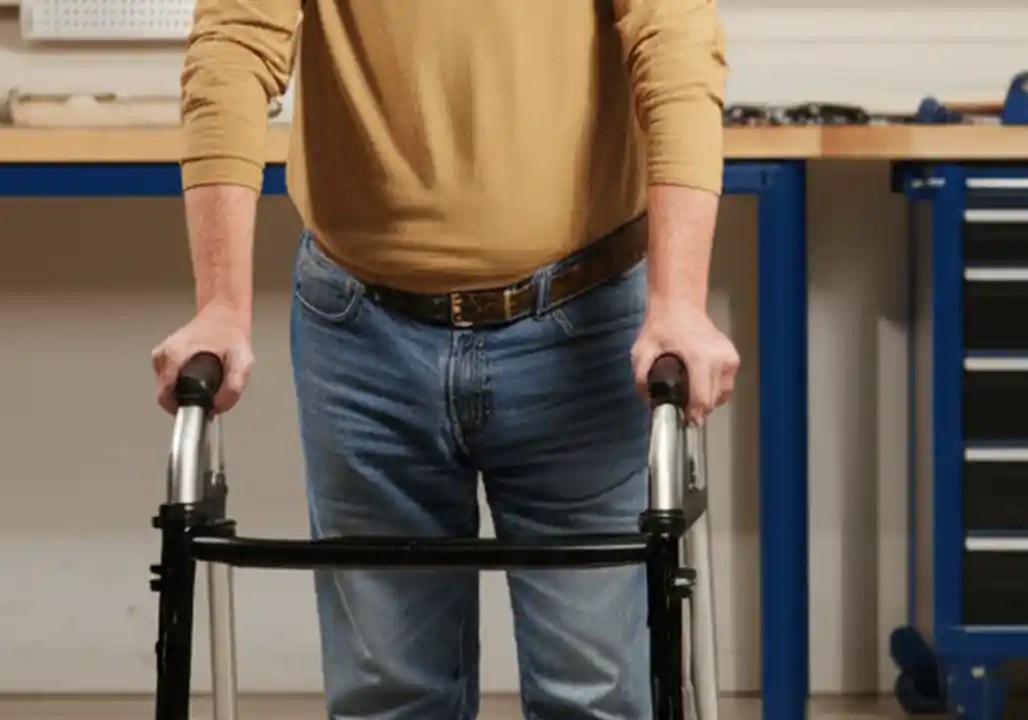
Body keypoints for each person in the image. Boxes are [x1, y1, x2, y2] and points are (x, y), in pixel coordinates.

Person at [151, 1, 739, 718]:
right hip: (362, 333)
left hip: (581, 330)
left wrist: (678, 300)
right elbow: (235, 46)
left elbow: (674, 48)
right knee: (390, 697)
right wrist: (220, 304)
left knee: (596, 694)